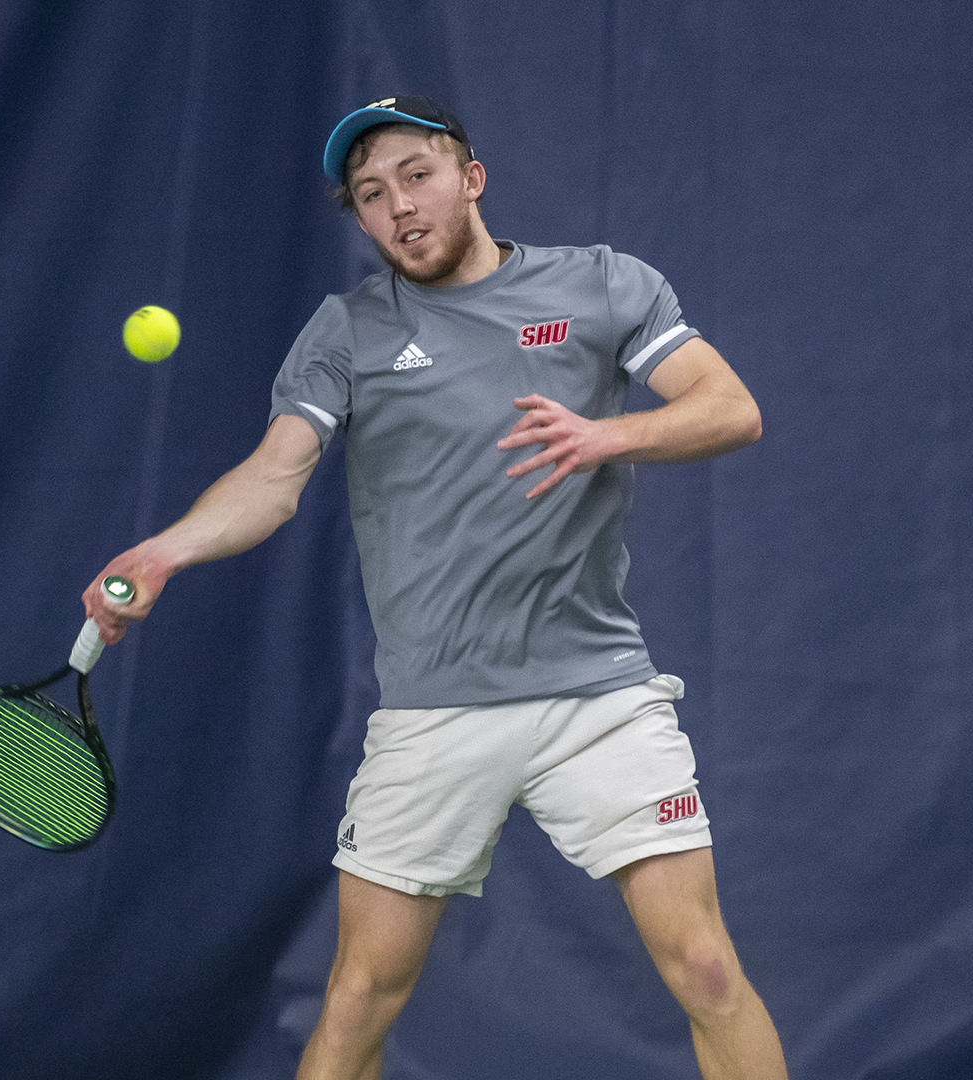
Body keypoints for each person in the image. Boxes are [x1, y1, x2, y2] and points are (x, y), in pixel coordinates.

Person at [84, 96, 787, 1080]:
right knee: (358, 1000)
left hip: (601, 699)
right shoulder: (348, 333)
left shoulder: (603, 286)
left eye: (416, 176)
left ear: (472, 176)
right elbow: (274, 477)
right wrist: (165, 550)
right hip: (435, 713)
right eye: (369, 195)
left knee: (707, 968)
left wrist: (607, 435)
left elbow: (731, 407)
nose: (398, 208)